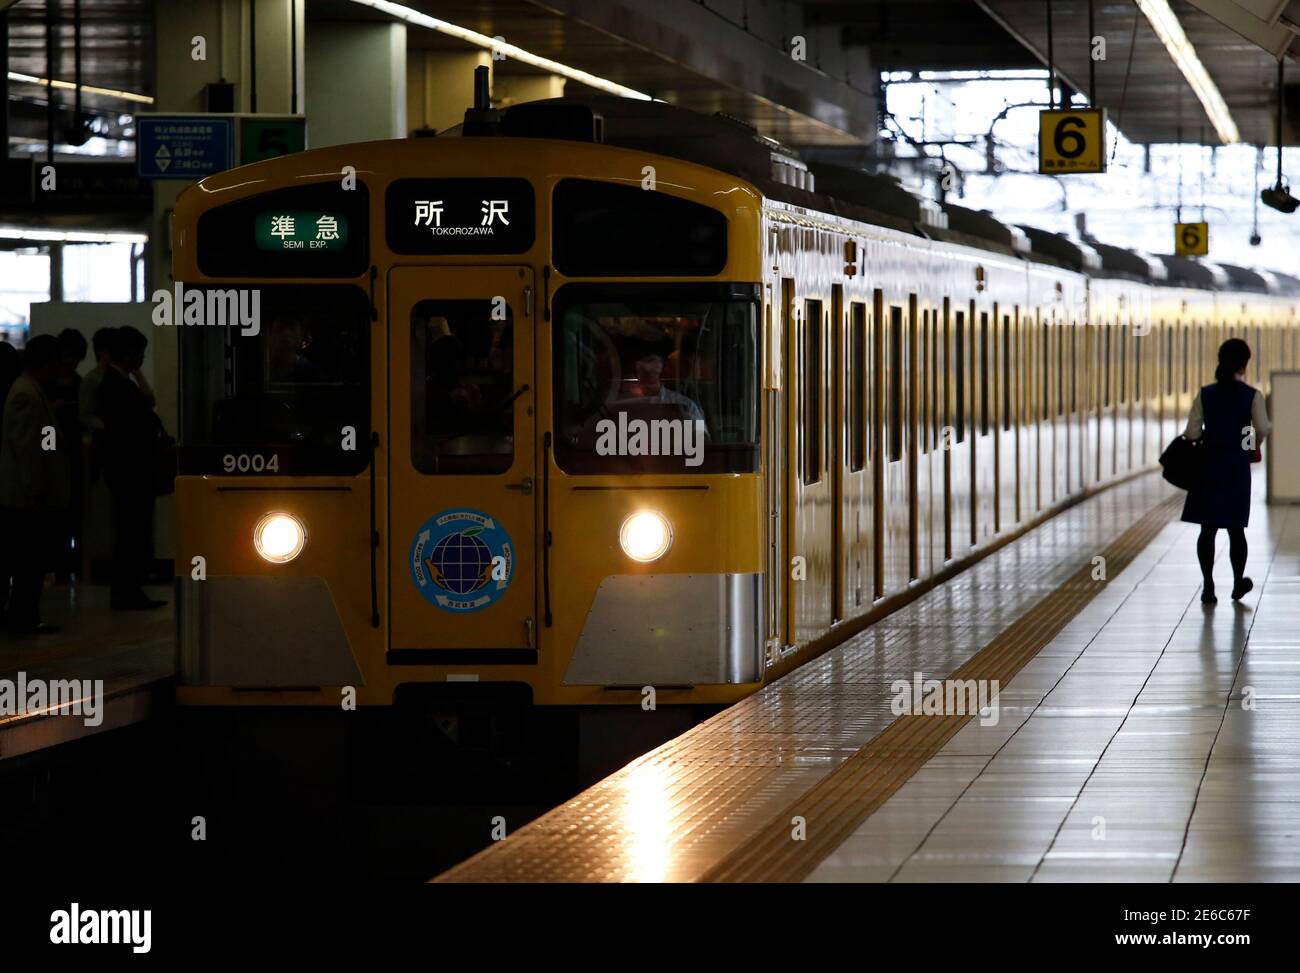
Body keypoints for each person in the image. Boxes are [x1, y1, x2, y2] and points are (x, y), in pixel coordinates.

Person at [1181, 338, 1271, 605]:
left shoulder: (1205, 394)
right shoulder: (1251, 395)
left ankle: (1208, 586)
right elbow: (1262, 428)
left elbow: (1192, 432)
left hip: (1208, 467)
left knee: (1207, 530)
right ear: (1244, 365)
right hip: (1236, 469)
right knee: (1235, 530)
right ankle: (1237, 582)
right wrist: (1250, 444)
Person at [0, 335, 71, 633]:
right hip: (26, 497)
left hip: (30, 494)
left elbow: (42, 440)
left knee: (31, 560)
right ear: (50, 361)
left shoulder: (33, 392)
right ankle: (23, 617)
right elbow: (27, 448)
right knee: (28, 561)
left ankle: (25, 615)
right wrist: (35, 490)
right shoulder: (26, 395)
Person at [99, 326, 167, 611]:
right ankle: (128, 590)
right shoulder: (117, 385)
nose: (142, 359)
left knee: (131, 532)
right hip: (132, 471)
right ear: (130, 353)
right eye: (140, 353)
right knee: (133, 533)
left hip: (126, 471)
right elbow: (134, 424)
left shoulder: (117, 381)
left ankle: (128, 589)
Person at [51, 329, 88, 581]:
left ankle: (68, 564)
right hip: (55, 455)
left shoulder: (79, 385)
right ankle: (58, 564)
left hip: (72, 454)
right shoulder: (50, 386)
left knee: (72, 513)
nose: (68, 362)